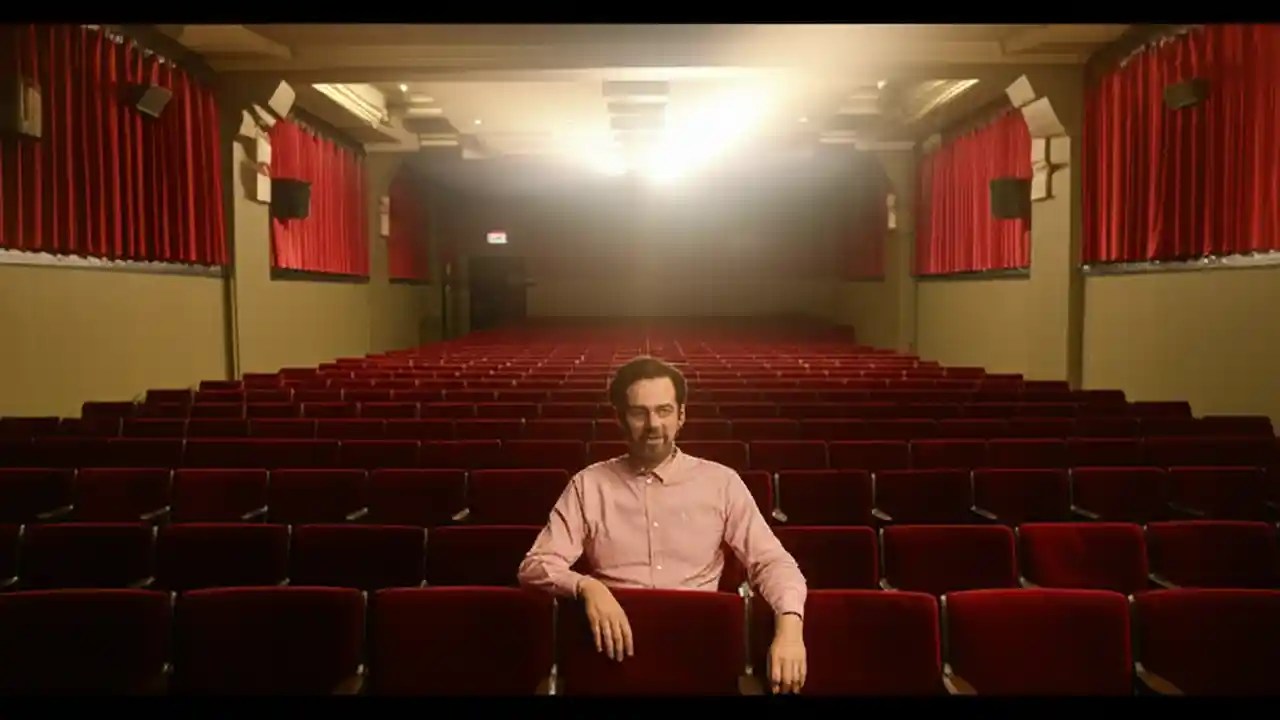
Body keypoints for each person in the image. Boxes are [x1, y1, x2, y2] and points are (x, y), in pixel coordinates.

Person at [517, 356, 808, 694]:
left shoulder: (721, 483)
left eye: (664, 410)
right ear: (621, 419)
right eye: (639, 412)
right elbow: (534, 566)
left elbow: (772, 561)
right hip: (611, 656)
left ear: (682, 416)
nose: (653, 424)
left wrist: (789, 627)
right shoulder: (588, 485)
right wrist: (587, 587)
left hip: (697, 653)